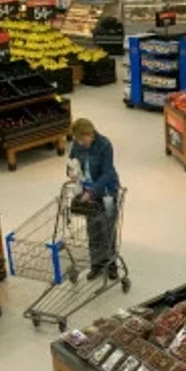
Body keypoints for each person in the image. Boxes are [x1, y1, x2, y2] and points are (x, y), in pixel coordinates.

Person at [68, 118, 121, 281]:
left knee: (107, 230)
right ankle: (96, 265)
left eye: (83, 140)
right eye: (78, 140)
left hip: (105, 193)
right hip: (87, 193)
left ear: (90, 134)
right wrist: (71, 172)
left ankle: (111, 265)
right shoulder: (77, 144)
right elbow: (71, 162)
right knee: (93, 230)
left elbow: (108, 173)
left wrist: (92, 192)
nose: (81, 144)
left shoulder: (104, 145)